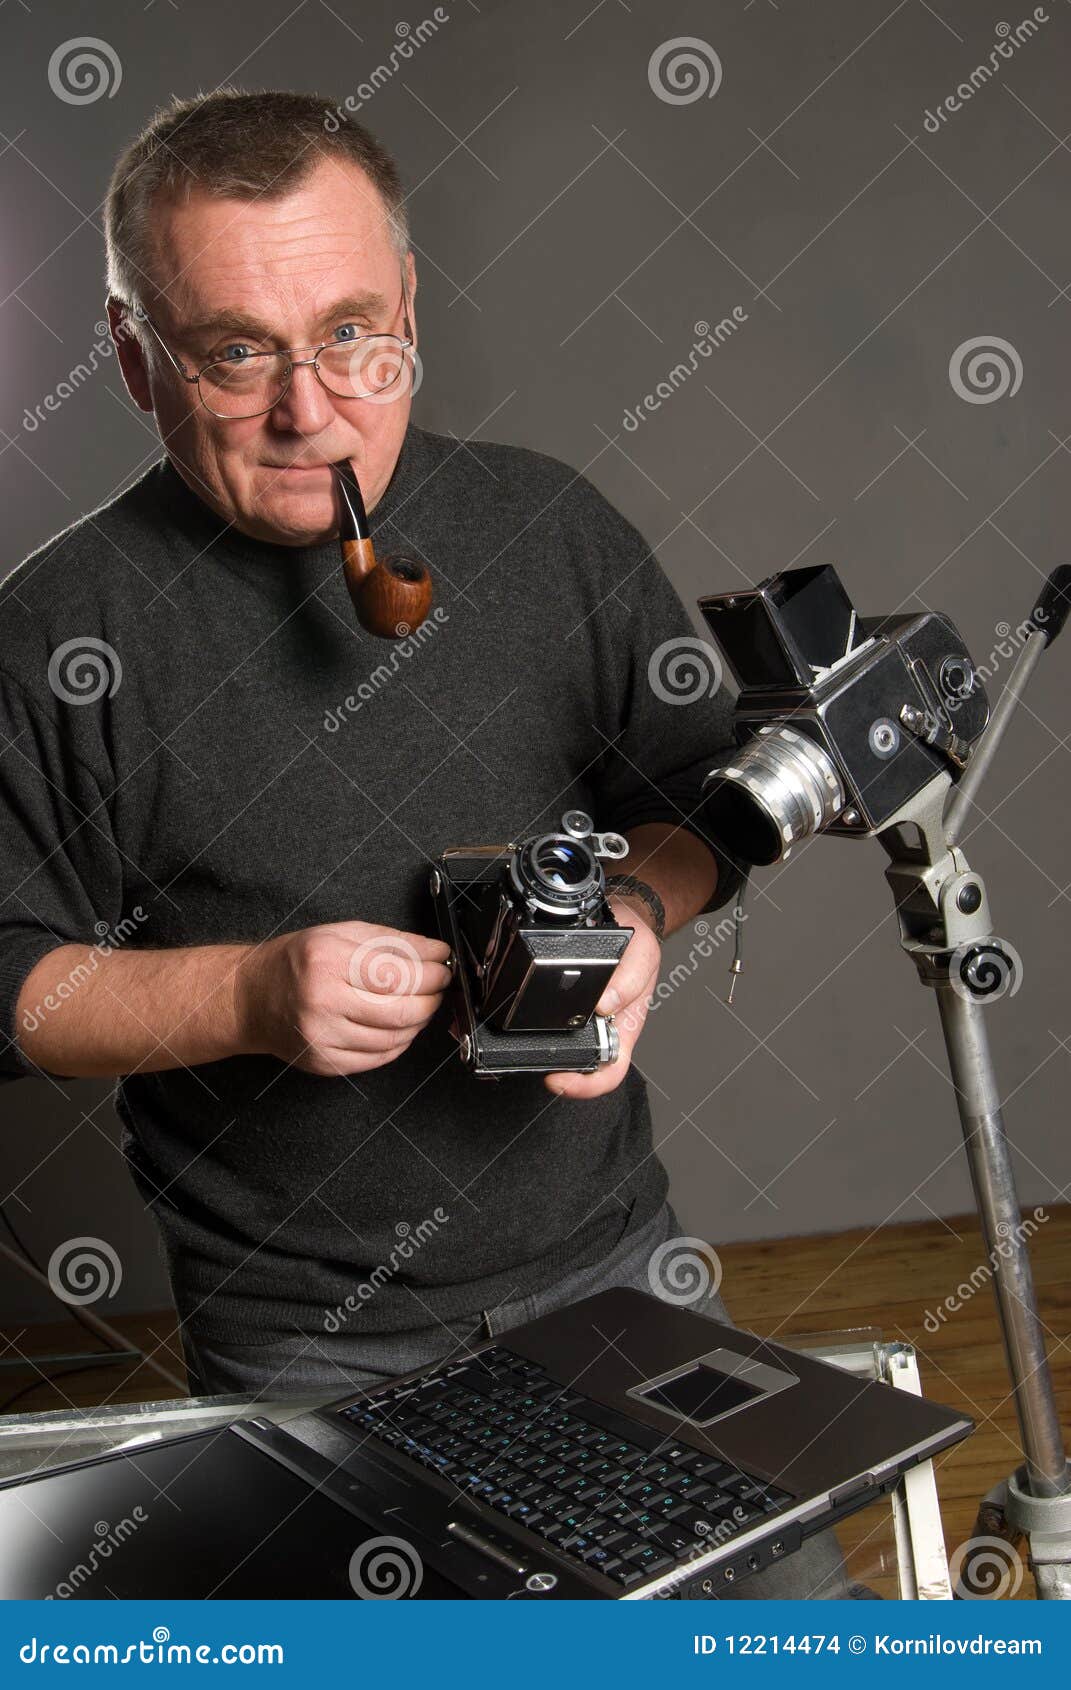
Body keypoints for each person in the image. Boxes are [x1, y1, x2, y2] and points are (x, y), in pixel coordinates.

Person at [0, 89, 848, 1598]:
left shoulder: (547, 524)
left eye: (353, 333)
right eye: (236, 352)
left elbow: (694, 806)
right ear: (137, 361)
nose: (312, 408)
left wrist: (645, 915)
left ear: (412, 315)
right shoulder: (59, 632)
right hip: (310, 1345)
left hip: (619, 1270)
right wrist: (251, 998)